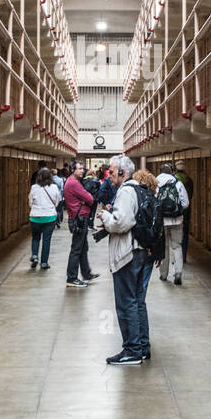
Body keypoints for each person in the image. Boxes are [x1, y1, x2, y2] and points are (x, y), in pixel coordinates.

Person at [96, 154, 149, 365]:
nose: (109, 175)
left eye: (112, 171)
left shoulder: (126, 191)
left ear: (122, 172)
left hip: (128, 253)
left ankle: (132, 350)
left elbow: (121, 224)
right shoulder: (139, 189)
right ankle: (142, 346)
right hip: (140, 251)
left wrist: (106, 217)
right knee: (137, 302)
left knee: (126, 302)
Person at [64, 161, 99, 289]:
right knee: (77, 249)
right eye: (79, 169)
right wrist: (85, 200)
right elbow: (90, 198)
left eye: (82, 168)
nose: (82, 171)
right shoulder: (74, 183)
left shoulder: (72, 181)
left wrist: (84, 200)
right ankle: (72, 278)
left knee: (83, 248)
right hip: (79, 219)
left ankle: (86, 273)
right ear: (73, 170)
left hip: (78, 217)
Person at [156, 162, 189, 285]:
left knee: (163, 247)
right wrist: (176, 210)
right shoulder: (178, 183)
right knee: (177, 246)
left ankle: (163, 274)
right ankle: (178, 272)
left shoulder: (156, 183)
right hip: (177, 220)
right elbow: (185, 203)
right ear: (172, 171)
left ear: (160, 171)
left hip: (161, 221)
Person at [132, 168, 162, 294]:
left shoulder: (136, 201)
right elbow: (159, 230)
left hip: (137, 248)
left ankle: (134, 311)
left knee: (133, 285)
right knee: (143, 286)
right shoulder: (155, 201)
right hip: (151, 251)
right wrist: (160, 254)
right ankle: (140, 310)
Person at [28, 167, 61, 270]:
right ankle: (44, 263)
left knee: (35, 238)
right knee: (46, 240)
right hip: (49, 217)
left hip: (36, 217)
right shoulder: (54, 187)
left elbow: (30, 202)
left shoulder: (34, 187)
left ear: (39, 177)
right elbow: (57, 201)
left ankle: (34, 256)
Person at [174, 161, 194, 262]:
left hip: (175, 212)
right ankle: (184, 257)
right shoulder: (189, 180)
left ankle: (177, 258)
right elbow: (191, 196)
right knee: (185, 234)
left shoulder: (174, 180)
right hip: (186, 211)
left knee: (175, 235)